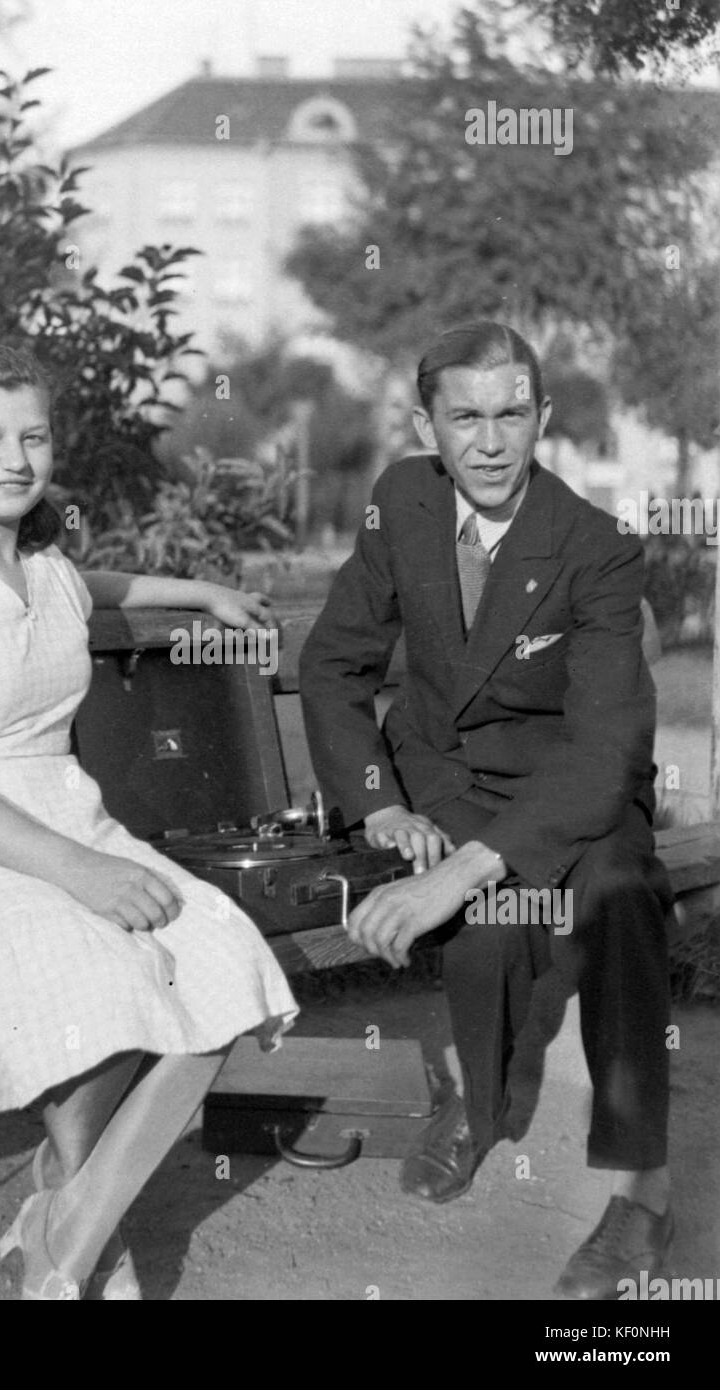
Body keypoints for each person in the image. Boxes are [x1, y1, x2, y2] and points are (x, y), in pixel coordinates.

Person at [0, 343, 298, 1301]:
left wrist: (198, 591)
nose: (14, 459)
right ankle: (82, 1250)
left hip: (68, 815)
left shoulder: (46, 570)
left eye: (33, 437)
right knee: (76, 960)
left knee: (218, 952)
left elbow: (100, 585)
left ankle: (66, 1217)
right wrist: (80, 875)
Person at [299, 321, 673, 1301]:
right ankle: (476, 1100)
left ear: (542, 417)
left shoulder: (595, 547)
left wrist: (468, 866)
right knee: (485, 925)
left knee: (623, 897)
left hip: (573, 785)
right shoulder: (401, 501)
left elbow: (604, 750)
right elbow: (334, 665)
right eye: (465, 417)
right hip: (448, 776)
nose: (492, 441)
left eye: (512, 414)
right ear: (426, 426)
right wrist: (379, 808)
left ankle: (642, 1190)